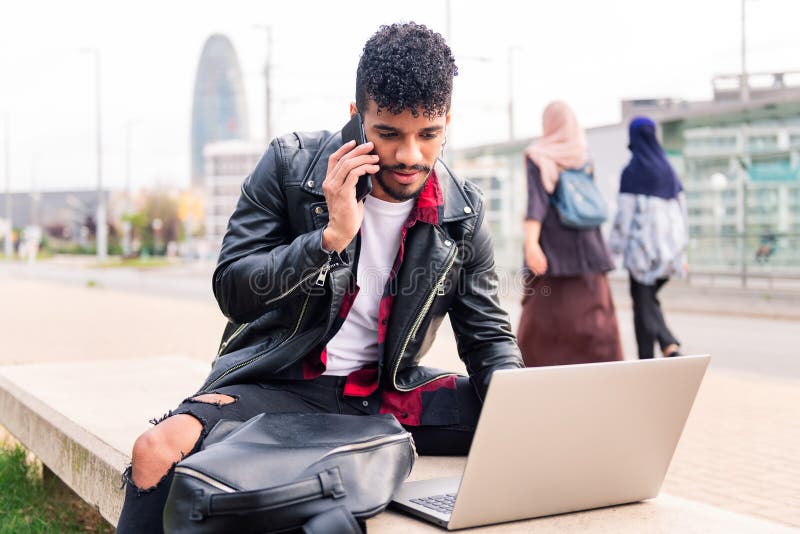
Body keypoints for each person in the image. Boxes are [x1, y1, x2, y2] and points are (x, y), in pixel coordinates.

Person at [116, 22, 523, 533]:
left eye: (429, 135)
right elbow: (234, 290)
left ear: (448, 122)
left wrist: (517, 402)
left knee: (536, 424)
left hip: (390, 393)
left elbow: (488, 337)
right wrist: (326, 239)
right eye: (389, 133)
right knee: (155, 451)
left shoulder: (461, 212)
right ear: (357, 117)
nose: (410, 155)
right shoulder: (290, 166)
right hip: (282, 384)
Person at [516, 101, 623, 367]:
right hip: (589, 250)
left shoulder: (538, 155)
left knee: (542, 323)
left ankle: (532, 377)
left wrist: (531, 244)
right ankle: (601, 375)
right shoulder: (583, 155)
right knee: (595, 321)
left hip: (553, 250)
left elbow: (537, 202)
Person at [609, 116, 688, 359]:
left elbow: (625, 217)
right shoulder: (669, 171)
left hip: (642, 256)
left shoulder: (632, 172)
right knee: (646, 302)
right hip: (669, 255)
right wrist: (683, 254)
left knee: (643, 303)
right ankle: (656, 352)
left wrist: (613, 249)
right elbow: (682, 215)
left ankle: (666, 346)